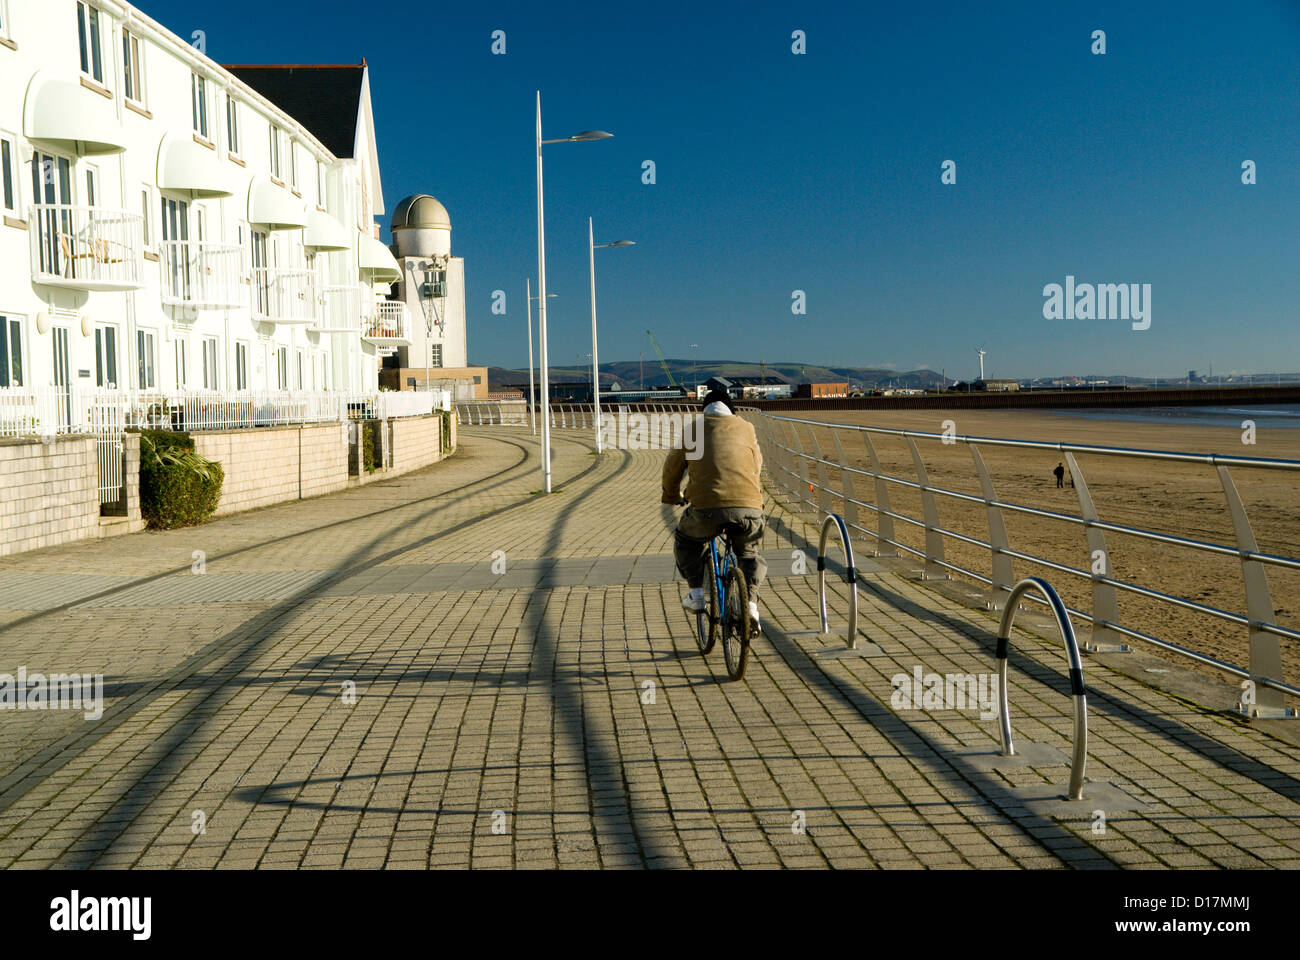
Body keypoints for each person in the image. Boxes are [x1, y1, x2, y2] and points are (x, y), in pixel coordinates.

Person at [662, 390, 766, 633]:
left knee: (686, 541)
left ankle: (697, 593)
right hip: (748, 508)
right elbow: (756, 465)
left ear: (704, 410)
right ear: (732, 410)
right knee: (749, 554)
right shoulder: (747, 428)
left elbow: (672, 467)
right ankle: (750, 605)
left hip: (706, 510)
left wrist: (672, 496)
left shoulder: (693, 430)